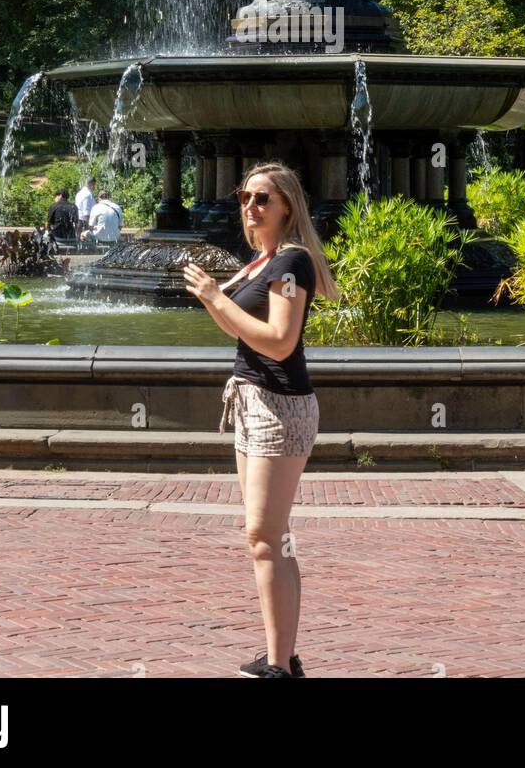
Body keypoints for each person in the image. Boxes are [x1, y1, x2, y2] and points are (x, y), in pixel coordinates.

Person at [182, 161, 339, 679]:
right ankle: (282, 653)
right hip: (252, 400)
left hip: (279, 405)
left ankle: (279, 665)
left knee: (264, 535)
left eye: (262, 198)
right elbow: (246, 330)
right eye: (246, 197)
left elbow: (279, 341)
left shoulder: (290, 263)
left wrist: (212, 296)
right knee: (270, 537)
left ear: (287, 206)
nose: (251, 206)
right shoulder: (261, 261)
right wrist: (218, 297)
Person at [75, 178, 97, 243]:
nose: (94, 187)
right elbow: (86, 213)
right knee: (86, 242)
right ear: (90, 184)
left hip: (79, 220)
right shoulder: (87, 194)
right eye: (94, 185)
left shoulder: (79, 193)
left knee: (80, 242)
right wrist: (89, 227)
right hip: (84, 222)